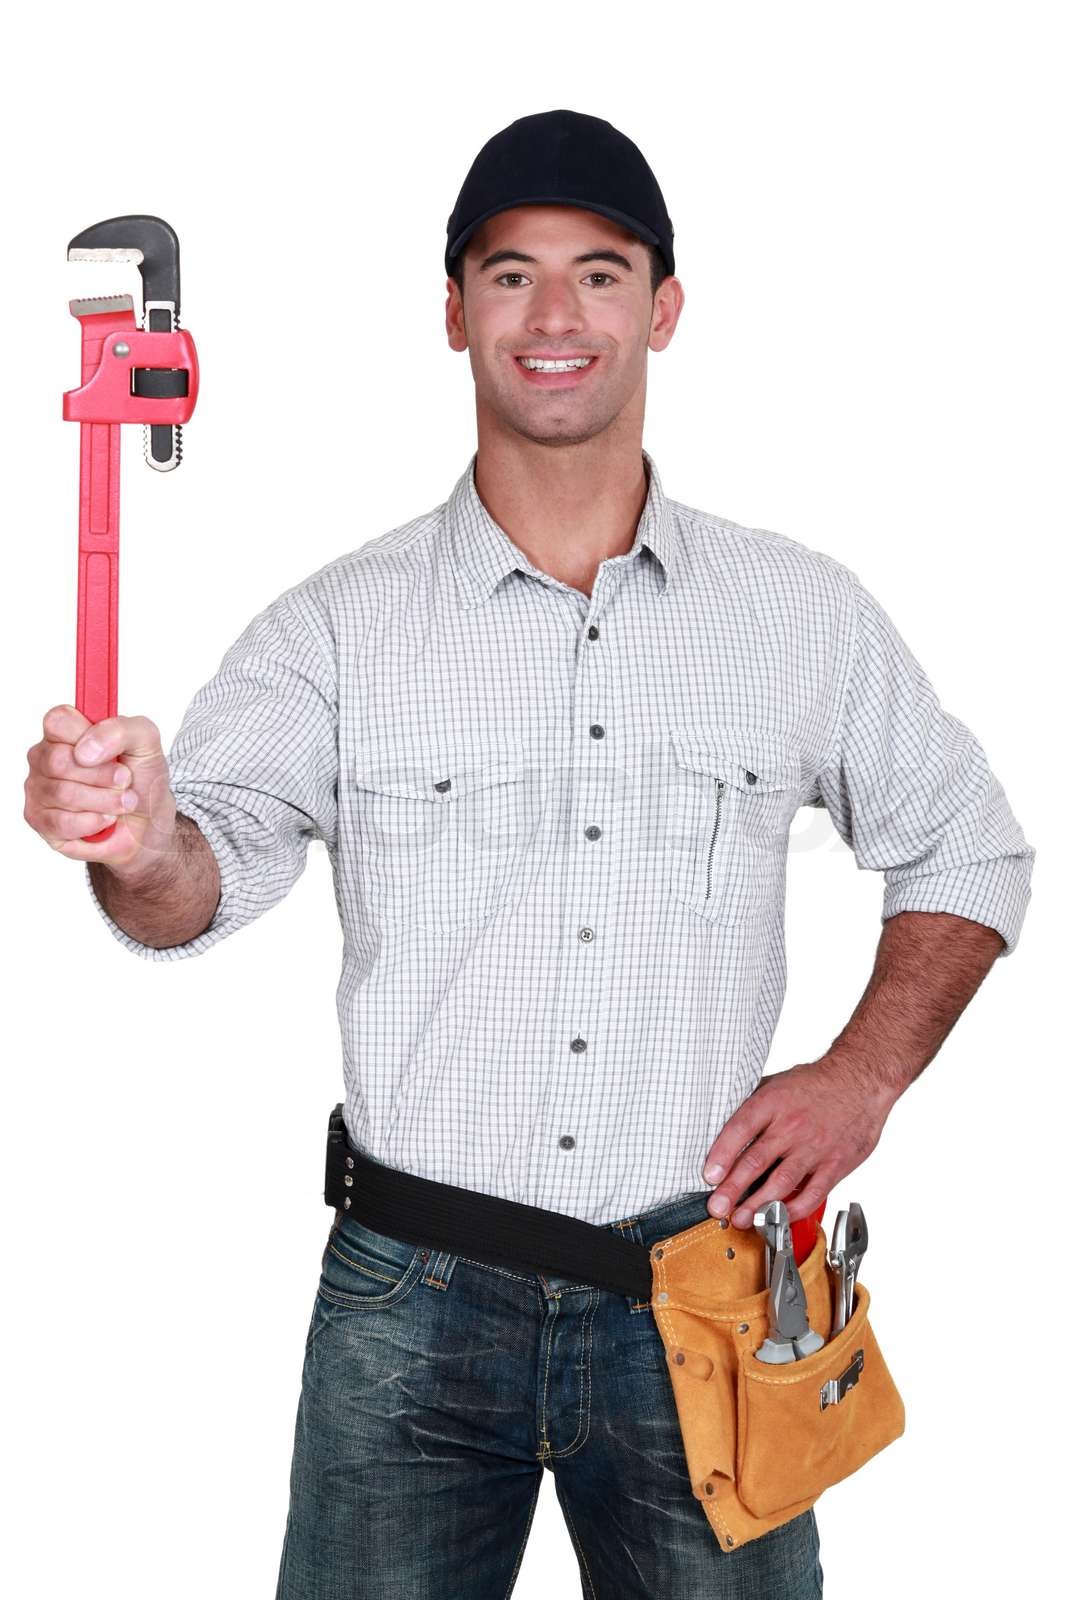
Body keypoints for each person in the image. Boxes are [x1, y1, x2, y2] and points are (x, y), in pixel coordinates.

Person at [25, 110, 1035, 1597]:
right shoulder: (336, 628)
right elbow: (194, 884)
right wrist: (136, 838)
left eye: (599, 275)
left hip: (707, 1300)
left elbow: (969, 849)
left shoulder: (797, 617)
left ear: (663, 310)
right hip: (409, 1306)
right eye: (510, 275)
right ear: (455, 313)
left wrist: (861, 1075)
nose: (555, 316)